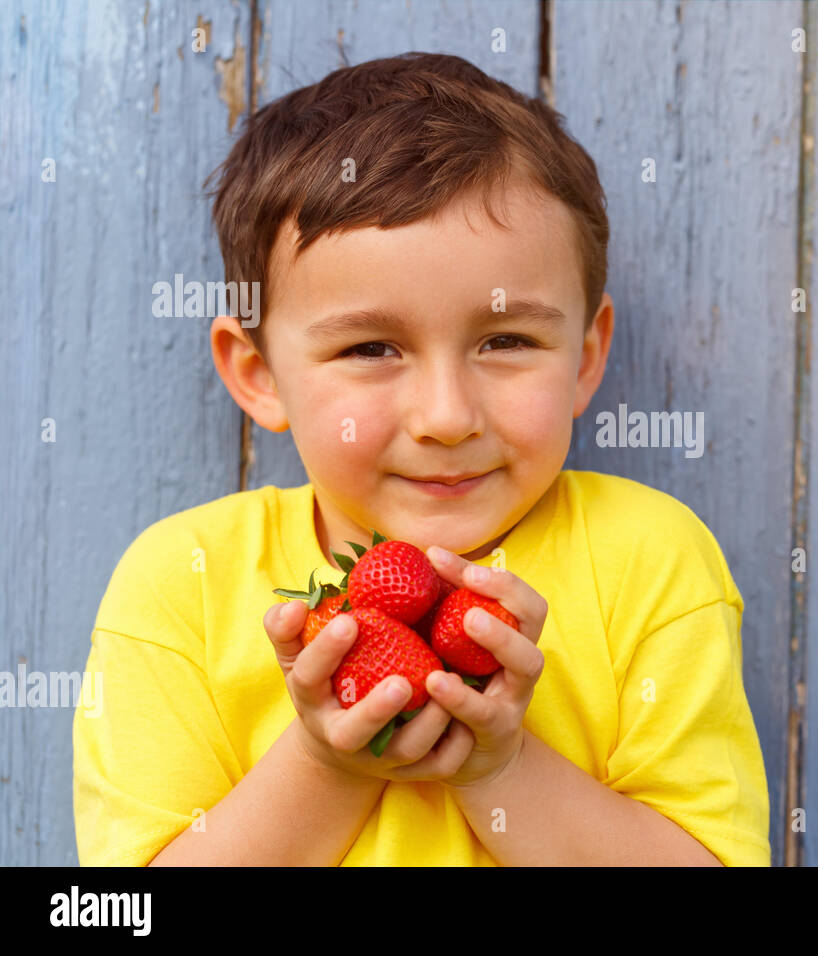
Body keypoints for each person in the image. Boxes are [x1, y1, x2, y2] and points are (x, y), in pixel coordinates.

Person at [72, 52, 770, 866]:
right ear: (259, 376)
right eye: (372, 348)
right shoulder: (180, 583)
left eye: (506, 340)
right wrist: (325, 765)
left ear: (585, 357)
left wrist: (503, 768)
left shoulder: (651, 560)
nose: (445, 416)